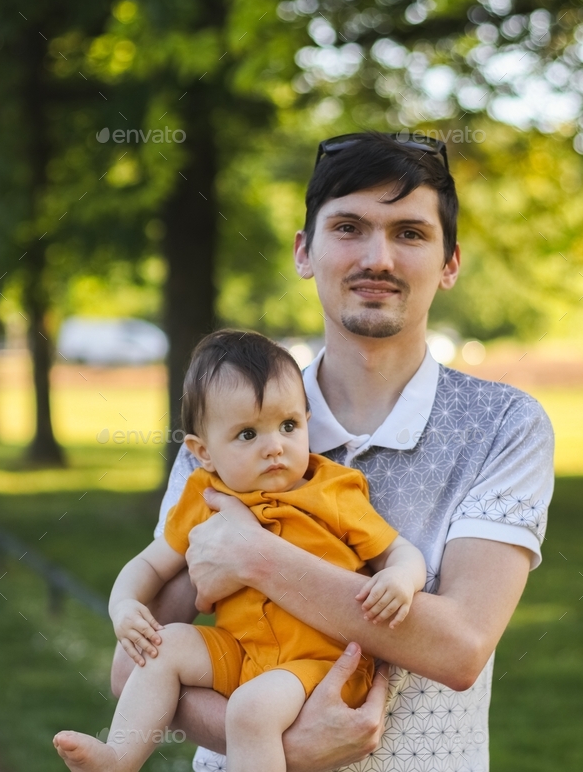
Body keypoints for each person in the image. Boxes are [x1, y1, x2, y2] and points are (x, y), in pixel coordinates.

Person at [111, 130, 555, 772]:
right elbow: (137, 662)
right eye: (348, 227)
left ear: (450, 262)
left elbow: (458, 647)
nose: (378, 257)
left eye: (409, 233)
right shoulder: (229, 418)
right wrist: (287, 750)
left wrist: (258, 559)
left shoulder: (503, 424)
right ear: (304, 251)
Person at [53, 329, 426, 772]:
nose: (274, 446)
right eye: (247, 434)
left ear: (308, 421)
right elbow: (151, 563)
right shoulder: (204, 496)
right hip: (243, 651)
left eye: (289, 426)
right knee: (166, 646)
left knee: (250, 709)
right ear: (203, 451)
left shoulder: (333, 490)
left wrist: (401, 577)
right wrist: (123, 606)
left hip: (320, 661)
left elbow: (399, 551)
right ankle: (120, 756)